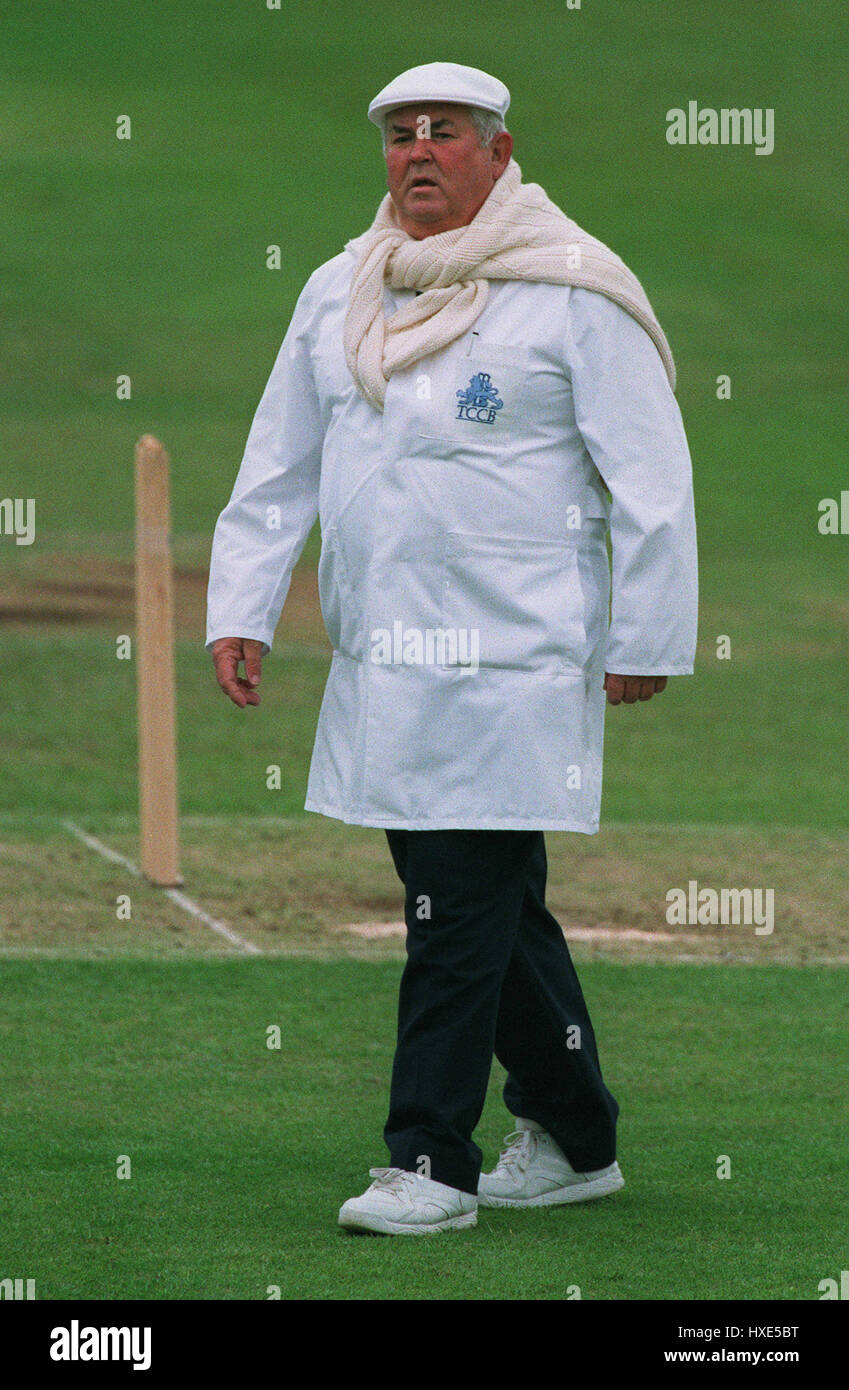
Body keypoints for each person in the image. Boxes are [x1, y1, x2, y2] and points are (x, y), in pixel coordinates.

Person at [206, 62, 698, 1236]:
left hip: (512, 663)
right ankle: (578, 1131)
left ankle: (429, 1157)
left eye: (445, 134)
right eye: (400, 136)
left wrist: (649, 633)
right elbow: (280, 458)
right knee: (487, 908)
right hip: (388, 663)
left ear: (499, 148)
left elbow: (651, 479)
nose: (419, 152)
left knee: (455, 909)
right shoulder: (341, 289)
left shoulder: (575, 289)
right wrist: (243, 604)